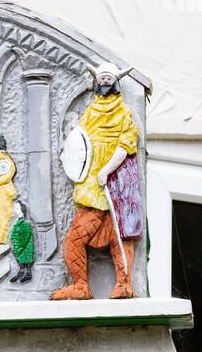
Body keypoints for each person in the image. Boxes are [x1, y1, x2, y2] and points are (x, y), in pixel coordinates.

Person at [52, 62, 142, 300]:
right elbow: (79, 142)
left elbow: (125, 146)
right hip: (91, 184)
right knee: (87, 239)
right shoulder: (91, 111)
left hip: (113, 187)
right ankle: (81, 286)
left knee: (116, 237)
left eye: (108, 79)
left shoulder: (123, 113)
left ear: (115, 83)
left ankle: (121, 284)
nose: (104, 83)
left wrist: (107, 171)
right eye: (101, 79)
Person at [9, 199, 35, 283]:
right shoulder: (17, 223)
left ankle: (28, 274)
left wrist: (19, 247)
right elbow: (13, 234)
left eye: (17, 209)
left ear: (21, 210)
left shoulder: (25, 223)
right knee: (21, 261)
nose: (15, 210)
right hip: (18, 247)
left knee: (26, 260)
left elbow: (25, 237)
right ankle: (21, 272)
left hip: (24, 248)